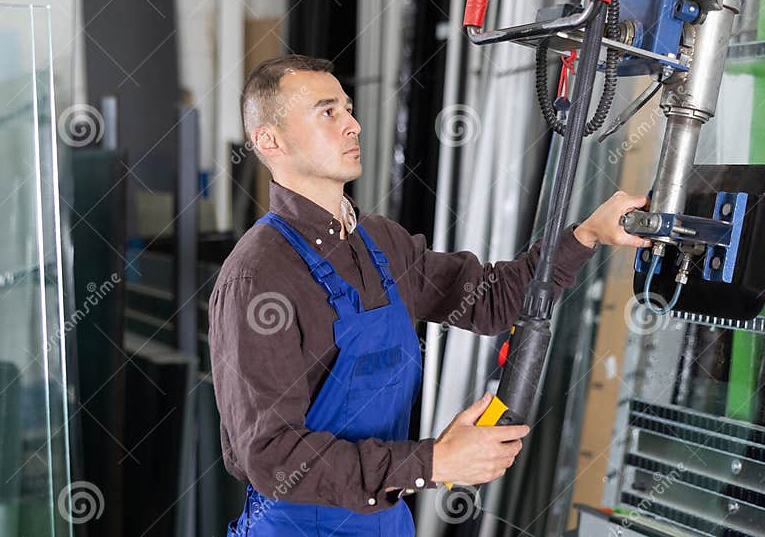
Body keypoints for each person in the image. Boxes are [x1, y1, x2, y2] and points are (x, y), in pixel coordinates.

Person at [210, 55, 650, 535]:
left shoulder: (383, 242)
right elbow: (273, 457)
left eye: (348, 109)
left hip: (387, 522)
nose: (354, 124)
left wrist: (586, 235)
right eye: (327, 112)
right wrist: (434, 461)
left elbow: (490, 300)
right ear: (269, 141)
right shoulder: (257, 276)